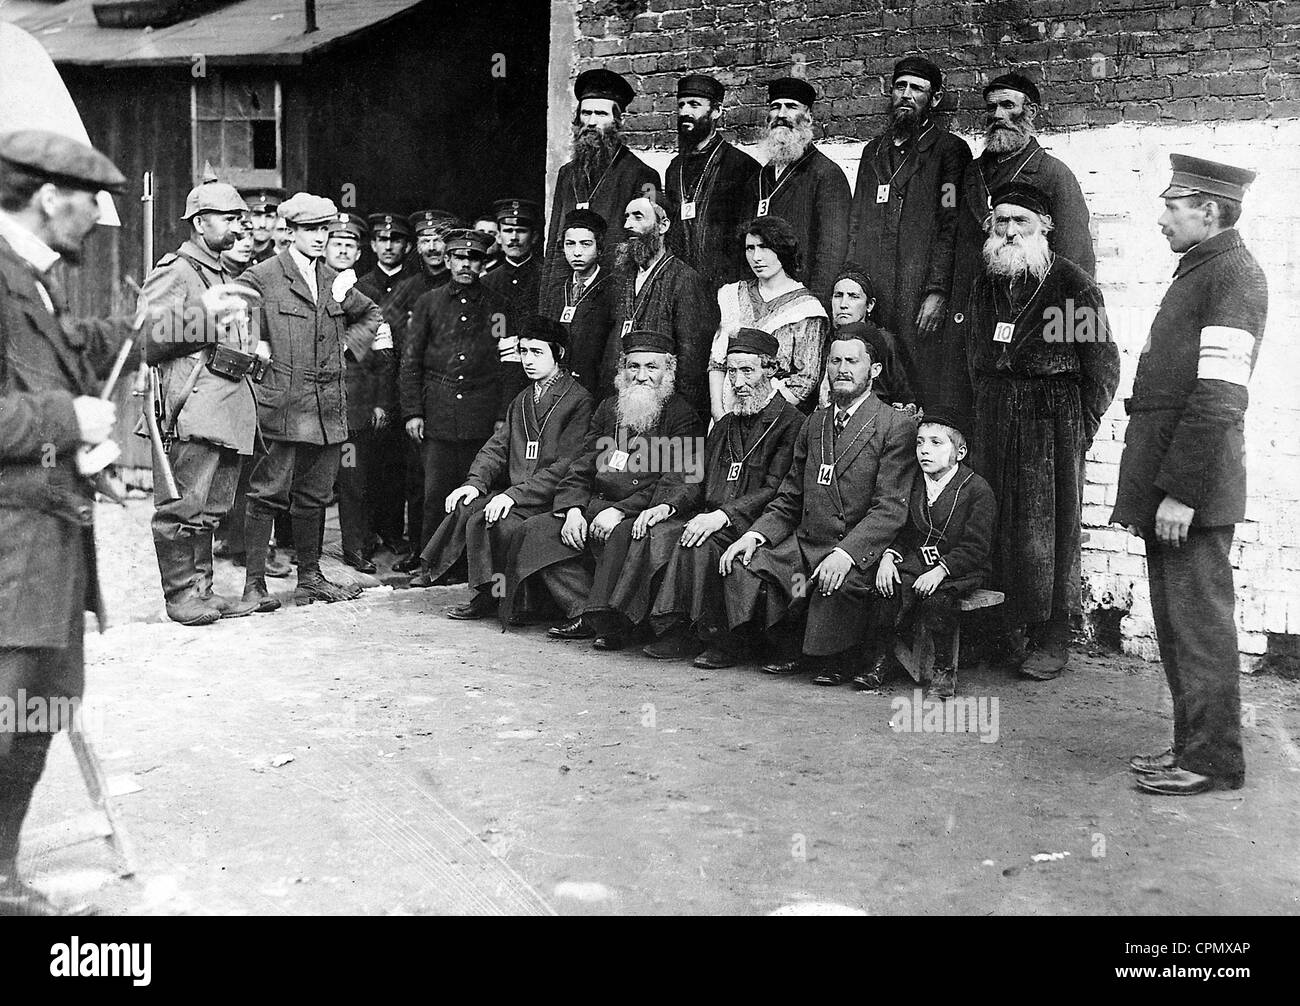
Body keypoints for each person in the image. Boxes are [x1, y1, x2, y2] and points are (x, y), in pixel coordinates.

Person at [0, 130, 143, 915]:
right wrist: (67, 418)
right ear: (51, 197)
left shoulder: (35, 277)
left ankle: (1, 877)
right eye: (93, 202)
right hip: (9, 550)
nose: (98, 218)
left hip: (47, 547)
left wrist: (162, 323)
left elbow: (74, 352)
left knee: (38, 716)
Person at [1114, 156, 1268, 796]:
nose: (1160, 217)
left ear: (1210, 209)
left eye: (1171, 204)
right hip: (1172, 480)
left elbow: (1219, 397)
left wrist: (1181, 491)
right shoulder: (1204, 270)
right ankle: (1191, 748)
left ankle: (1211, 761)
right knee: (1178, 623)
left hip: (1190, 489)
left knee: (1199, 624)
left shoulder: (1234, 275)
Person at [966, 181, 1119, 680]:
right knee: (998, 521)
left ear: (1044, 228)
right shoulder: (987, 281)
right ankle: (1004, 630)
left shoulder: (1070, 286)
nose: (1009, 232)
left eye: (1021, 223)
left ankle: (1053, 637)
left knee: (1047, 529)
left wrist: (1078, 430)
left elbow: (1101, 368)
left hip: (1049, 421)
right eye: (1002, 221)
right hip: (994, 413)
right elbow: (972, 355)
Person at [718, 328, 915, 684]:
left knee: (835, 584)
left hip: (853, 545)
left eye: (852, 361)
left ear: (874, 370)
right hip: (806, 544)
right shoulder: (815, 421)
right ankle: (793, 645)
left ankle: (836, 657)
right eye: (835, 360)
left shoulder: (893, 425)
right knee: (749, 567)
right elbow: (790, 496)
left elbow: (890, 508)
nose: (841, 369)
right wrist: (756, 535)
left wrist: (847, 553)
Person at [506, 329, 703, 644]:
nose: (640, 376)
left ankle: (611, 622)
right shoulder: (609, 408)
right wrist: (572, 509)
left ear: (668, 371)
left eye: (651, 367)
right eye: (633, 367)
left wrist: (621, 511)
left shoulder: (682, 415)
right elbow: (582, 465)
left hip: (638, 511)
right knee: (536, 529)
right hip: (594, 505)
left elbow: (682, 479)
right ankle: (583, 609)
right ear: (623, 370)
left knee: (622, 536)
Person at [239, 192, 383, 609]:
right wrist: (258, 354)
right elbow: (239, 324)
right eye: (311, 230)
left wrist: (346, 347)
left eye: (326, 229)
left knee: (316, 496)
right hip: (282, 406)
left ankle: (310, 578)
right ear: (289, 232)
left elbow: (372, 314)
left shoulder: (335, 279)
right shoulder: (262, 277)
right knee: (267, 493)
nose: (321, 238)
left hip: (327, 408)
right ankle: (254, 585)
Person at [141, 170, 264, 624]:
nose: (239, 227)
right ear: (199, 223)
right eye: (230, 218)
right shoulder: (176, 270)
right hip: (189, 409)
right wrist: (209, 321)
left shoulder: (219, 271)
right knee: (181, 507)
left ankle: (203, 591)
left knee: (212, 509)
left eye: (241, 218)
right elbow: (146, 338)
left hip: (227, 410)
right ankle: (180, 597)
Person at [640, 328, 803, 664]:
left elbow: (776, 489)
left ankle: (722, 640)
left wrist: (723, 516)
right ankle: (672, 628)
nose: (738, 382)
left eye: (747, 371)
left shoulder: (793, 424)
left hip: (756, 524)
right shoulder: (728, 422)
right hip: (714, 517)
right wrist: (669, 505)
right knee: (660, 532)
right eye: (731, 372)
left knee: (701, 543)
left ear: (771, 370)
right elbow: (694, 476)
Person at [941, 71, 1095, 416]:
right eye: (991, 107)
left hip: (1028, 328)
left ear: (1031, 113)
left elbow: (1076, 268)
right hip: (973, 318)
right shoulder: (970, 174)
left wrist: (1063, 345)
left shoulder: (1054, 175)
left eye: (1008, 106)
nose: (997, 116)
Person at [415, 317, 594, 613]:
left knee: (493, 519)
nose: (528, 360)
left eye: (537, 352)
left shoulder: (578, 400)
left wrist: (512, 495)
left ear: (558, 354)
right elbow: (497, 448)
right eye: (523, 352)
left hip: (548, 496)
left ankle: (509, 601)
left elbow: (567, 465)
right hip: (519, 492)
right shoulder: (522, 399)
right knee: (466, 506)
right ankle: (485, 593)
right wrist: (474, 483)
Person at [847, 57, 971, 408]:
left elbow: (951, 225)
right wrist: (853, 284)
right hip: (876, 289)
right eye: (900, 87)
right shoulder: (873, 152)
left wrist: (937, 292)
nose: (906, 95)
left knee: (920, 383)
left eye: (917, 89)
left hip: (917, 294)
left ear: (933, 100)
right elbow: (857, 221)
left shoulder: (949, 152)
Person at [400, 228, 514, 567]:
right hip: (438, 411)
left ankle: (468, 565)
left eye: (474, 258)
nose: (466, 265)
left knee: (476, 490)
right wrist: (412, 412)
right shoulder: (428, 303)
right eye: (460, 257)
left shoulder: (497, 307)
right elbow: (410, 361)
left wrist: (502, 414)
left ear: (483, 262)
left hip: (481, 414)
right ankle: (430, 563)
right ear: (447, 260)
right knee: (435, 493)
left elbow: (509, 364)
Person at [869, 412, 995, 698]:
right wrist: (889, 557)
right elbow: (903, 532)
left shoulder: (976, 490)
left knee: (938, 601)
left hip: (960, 568)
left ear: (960, 452)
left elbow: (976, 547)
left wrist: (941, 570)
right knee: (886, 587)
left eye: (937, 443)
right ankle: (881, 659)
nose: (925, 450)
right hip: (919, 562)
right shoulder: (914, 485)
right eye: (920, 443)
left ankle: (943, 670)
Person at [538, 68, 660, 316]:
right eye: (586, 113)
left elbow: (645, 247)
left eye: (601, 113)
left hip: (611, 298)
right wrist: (546, 306)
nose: (591, 122)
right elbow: (553, 243)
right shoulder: (567, 173)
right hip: (566, 292)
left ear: (618, 121)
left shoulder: (641, 175)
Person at [598, 196, 718, 414]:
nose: (627, 225)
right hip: (620, 401)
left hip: (662, 408)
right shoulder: (622, 277)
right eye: (626, 217)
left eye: (638, 217)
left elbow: (691, 361)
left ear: (663, 225)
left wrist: (677, 413)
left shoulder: (685, 280)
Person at [387, 209, 459, 565]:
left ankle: (451, 554)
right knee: (418, 479)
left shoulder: (462, 286)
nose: (432, 248)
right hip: (418, 391)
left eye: (439, 240)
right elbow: (387, 336)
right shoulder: (408, 289)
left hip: (455, 396)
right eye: (425, 240)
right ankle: (419, 550)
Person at [326, 212, 394, 573]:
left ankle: (355, 547)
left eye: (349, 245)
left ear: (357, 253)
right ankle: (297, 548)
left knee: (353, 479)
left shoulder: (366, 296)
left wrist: (381, 402)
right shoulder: (311, 286)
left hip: (353, 404)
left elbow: (383, 358)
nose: (342, 250)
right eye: (335, 243)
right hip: (312, 402)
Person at [708, 215, 826, 420]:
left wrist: (761, 417)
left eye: (764, 247)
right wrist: (718, 412)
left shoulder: (807, 308)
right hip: (728, 411)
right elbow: (717, 362)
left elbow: (805, 380)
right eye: (750, 248)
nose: (756, 257)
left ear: (782, 249)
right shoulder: (731, 295)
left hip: (774, 419)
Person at [747, 77, 851, 307]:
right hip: (762, 297)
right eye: (775, 107)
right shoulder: (762, 176)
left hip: (801, 299)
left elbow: (831, 253)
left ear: (808, 117)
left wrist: (814, 305)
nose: (781, 114)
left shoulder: (826, 174)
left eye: (791, 107)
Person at [661, 73, 761, 291]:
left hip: (726, 287)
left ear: (716, 111)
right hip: (680, 287)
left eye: (694, 105)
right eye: (681, 105)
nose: (685, 112)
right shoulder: (674, 168)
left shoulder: (743, 167)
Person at [357, 212, 419, 556]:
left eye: (396, 240)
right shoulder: (361, 286)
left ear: (407, 245)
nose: (389, 246)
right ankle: (367, 534)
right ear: (373, 245)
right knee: (368, 463)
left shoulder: (418, 284)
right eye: (382, 240)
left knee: (399, 463)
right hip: (370, 386)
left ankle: (395, 532)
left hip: (406, 384)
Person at [541, 207, 613, 395]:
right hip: (556, 388)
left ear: (599, 249)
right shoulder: (558, 291)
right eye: (570, 244)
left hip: (592, 390)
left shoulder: (610, 291)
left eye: (586, 244)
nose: (577, 252)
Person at [827, 265, 916, 409]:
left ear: (869, 305)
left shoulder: (884, 341)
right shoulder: (828, 339)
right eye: (838, 296)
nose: (843, 304)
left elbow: (904, 396)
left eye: (853, 296)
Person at [481, 197, 542, 392]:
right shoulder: (487, 282)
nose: (514, 237)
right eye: (507, 231)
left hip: (537, 371)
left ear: (534, 237)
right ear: (498, 237)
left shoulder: (546, 278)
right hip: (497, 374)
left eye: (521, 231)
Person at [239, 187, 285, 264]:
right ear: (245, 216)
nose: (262, 224)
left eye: (269, 216)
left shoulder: (280, 263)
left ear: (277, 219)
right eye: (257, 215)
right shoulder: (232, 259)